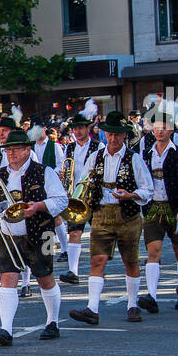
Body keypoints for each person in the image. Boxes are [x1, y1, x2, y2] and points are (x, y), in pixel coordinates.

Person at [0, 122, 67, 345]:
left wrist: (38, 206)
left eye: (16, 149)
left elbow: (62, 200)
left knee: (45, 277)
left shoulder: (44, 172)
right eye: (8, 149)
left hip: (42, 232)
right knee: (7, 278)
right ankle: (6, 329)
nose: (11, 153)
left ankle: (53, 322)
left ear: (27, 150)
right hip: (8, 234)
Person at [68, 112, 153, 325]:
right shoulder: (95, 156)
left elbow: (148, 189)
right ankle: (92, 308)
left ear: (124, 135)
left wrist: (132, 195)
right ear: (104, 133)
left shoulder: (134, 158)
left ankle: (132, 304)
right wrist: (82, 197)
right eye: (109, 134)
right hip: (101, 213)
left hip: (128, 215)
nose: (113, 139)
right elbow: (83, 181)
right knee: (97, 260)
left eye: (117, 135)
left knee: (130, 260)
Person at [136, 109, 178, 312]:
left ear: (171, 130)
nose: (159, 131)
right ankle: (151, 295)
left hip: (175, 207)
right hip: (153, 208)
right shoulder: (145, 153)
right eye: (156, 128)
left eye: (163, 128)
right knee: (153, 251)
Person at [58, 115, 101, 285]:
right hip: (76, 195)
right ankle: (73, 271)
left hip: (93, 195)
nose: (77, 131)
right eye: (75, 129)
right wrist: (64, 176)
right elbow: (67, 169)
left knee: (98, 233)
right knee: (74, 233)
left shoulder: (99, 146)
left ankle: (98, 269)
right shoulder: (69, 148)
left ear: (88, 129)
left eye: (81, 128)